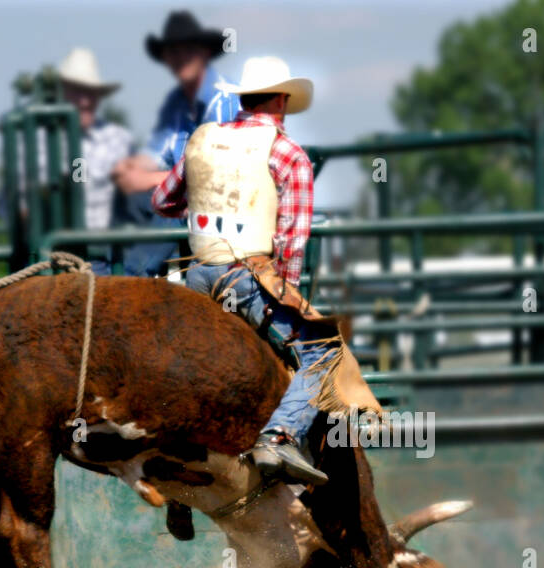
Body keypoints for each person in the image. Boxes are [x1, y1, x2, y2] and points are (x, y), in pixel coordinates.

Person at [153, 56, 335, 489]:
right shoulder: (288, 154)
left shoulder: (202, 140)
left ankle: (176, 478)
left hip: (193, 276)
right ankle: (279, 437)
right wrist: (283, 293)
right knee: (325, 350)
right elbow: (292, 240)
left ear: (244, 98)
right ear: (282, 100)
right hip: (247, 278)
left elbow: (163, 201)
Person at [111, 10, 238, 276]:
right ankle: (102, 273)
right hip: (186, 203)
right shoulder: (176, 102)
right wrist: (128, 168)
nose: (180, 58)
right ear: (166, 58)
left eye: (188, 50)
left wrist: (148, 178)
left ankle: (130, 282)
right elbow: (154, 152)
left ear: (204, 53)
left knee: (163, 205)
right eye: (173, 51)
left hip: (223, 208)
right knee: (122, 200)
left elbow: (216, 176)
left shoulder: (224, 100)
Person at [57, 47, 136, 268]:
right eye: (77, 91)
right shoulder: (39, 139)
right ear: (63, 92)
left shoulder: (119, 139)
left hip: (104, 257)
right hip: (50, 258)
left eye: (90, 92)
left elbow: (134, 203)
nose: (84, 101)